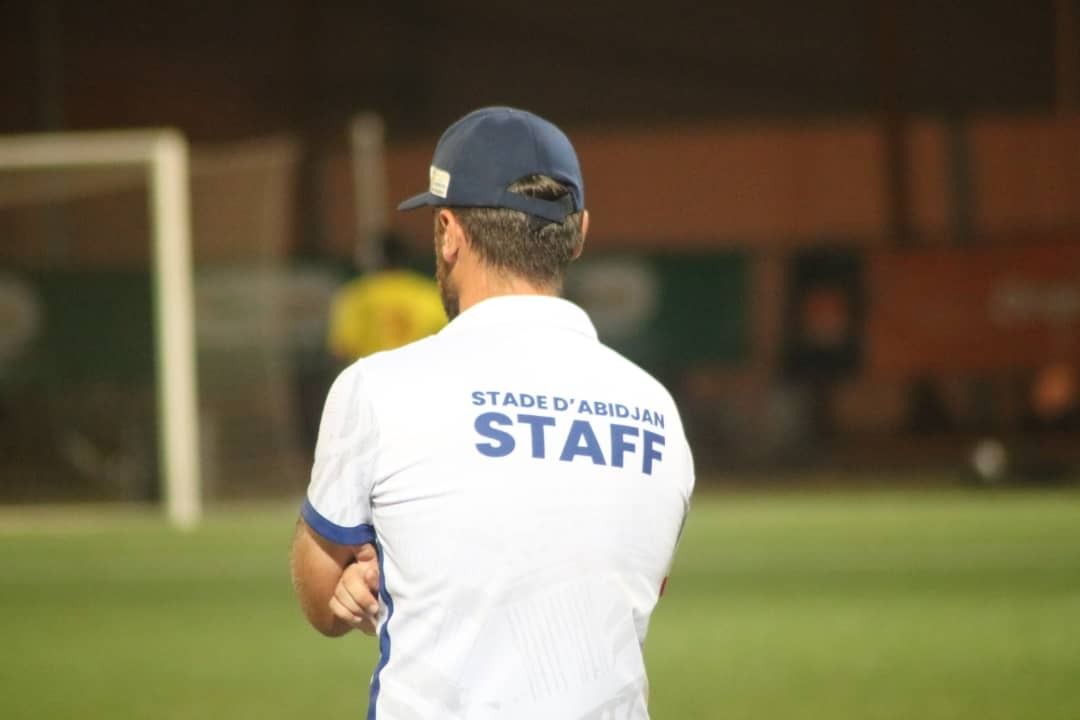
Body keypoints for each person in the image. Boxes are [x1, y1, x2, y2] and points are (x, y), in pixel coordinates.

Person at [290, 106, 694, 719]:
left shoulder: (376, 387)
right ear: (579, 232)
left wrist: (365, 575)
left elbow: (323, 594)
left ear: (450, 230)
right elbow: (620, 589)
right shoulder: (657, 411)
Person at [326, 231, 447, 364]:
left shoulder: (357, 295)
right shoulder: (428, 293)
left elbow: (340, 350)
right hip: (419, 378)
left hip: (371, 380)